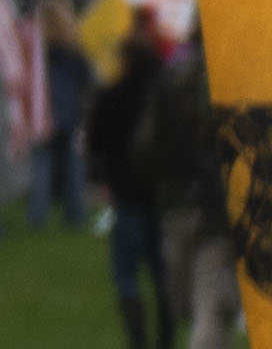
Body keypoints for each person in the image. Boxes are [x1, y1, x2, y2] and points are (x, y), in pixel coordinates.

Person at [142, 37, 241, 349]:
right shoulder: (240, 80)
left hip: (180, 202)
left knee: (190, 297)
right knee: (207, 301)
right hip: (218, 205)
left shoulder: (173, 79)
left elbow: (145, 145)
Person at [92, 25, 169, 349]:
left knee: (126, 274)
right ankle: (165, 338)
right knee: (161, 273)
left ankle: (136, 339)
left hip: (126, 196)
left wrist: (102, 179)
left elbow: (95, 142)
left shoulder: (112, 96)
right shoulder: (165, 96)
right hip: (162, 197)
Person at [36, 0, 98, 230]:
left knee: (42, 165)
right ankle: (75, 214)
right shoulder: (73, 50)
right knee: (73, 168)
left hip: (44, 112)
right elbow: (88, 80)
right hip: (70, 112)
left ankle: (38, 215)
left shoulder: (39, 50)